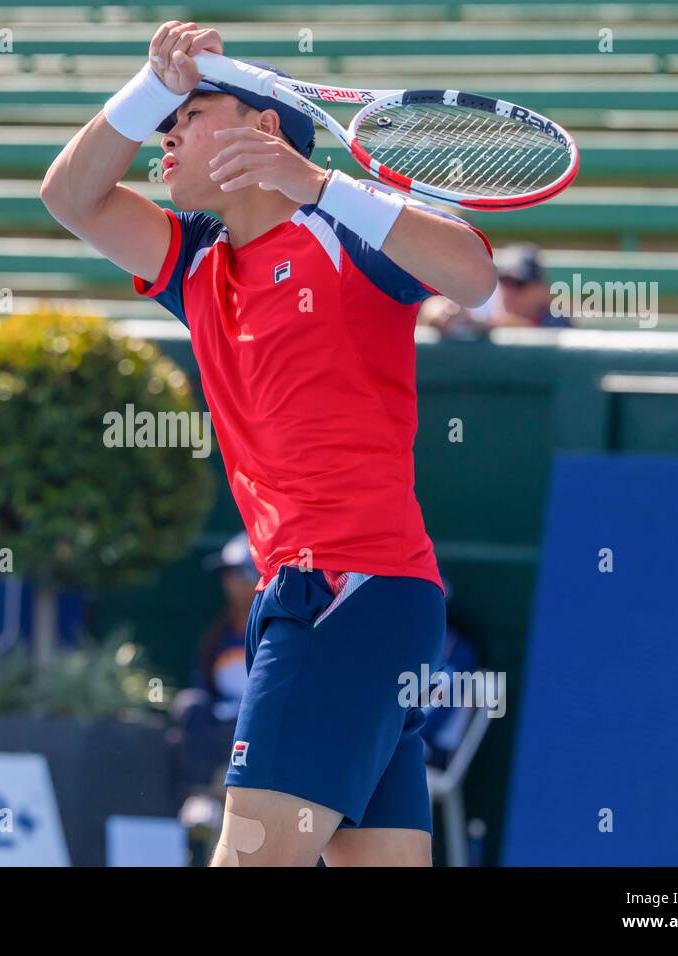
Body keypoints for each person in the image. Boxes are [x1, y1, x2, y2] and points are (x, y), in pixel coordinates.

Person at [41, 22, 495, 866]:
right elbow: (69, 197)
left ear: (262, 131)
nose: (164, 132)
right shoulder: (195, 262)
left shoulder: (348, 233)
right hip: (336, 602)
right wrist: (154, 84)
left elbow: (473, 275)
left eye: (189, 112)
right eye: (164, 116)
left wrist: (321, 183)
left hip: (346, 595)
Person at [168, 532, 253, 802]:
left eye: (240, 573)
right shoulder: (218, 634)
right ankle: (199, 797)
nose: (231, 583)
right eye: (227, 575)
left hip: (262, 721)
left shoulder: (280, 630)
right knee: (189, 705)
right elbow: (202, 684)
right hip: (223, 718)